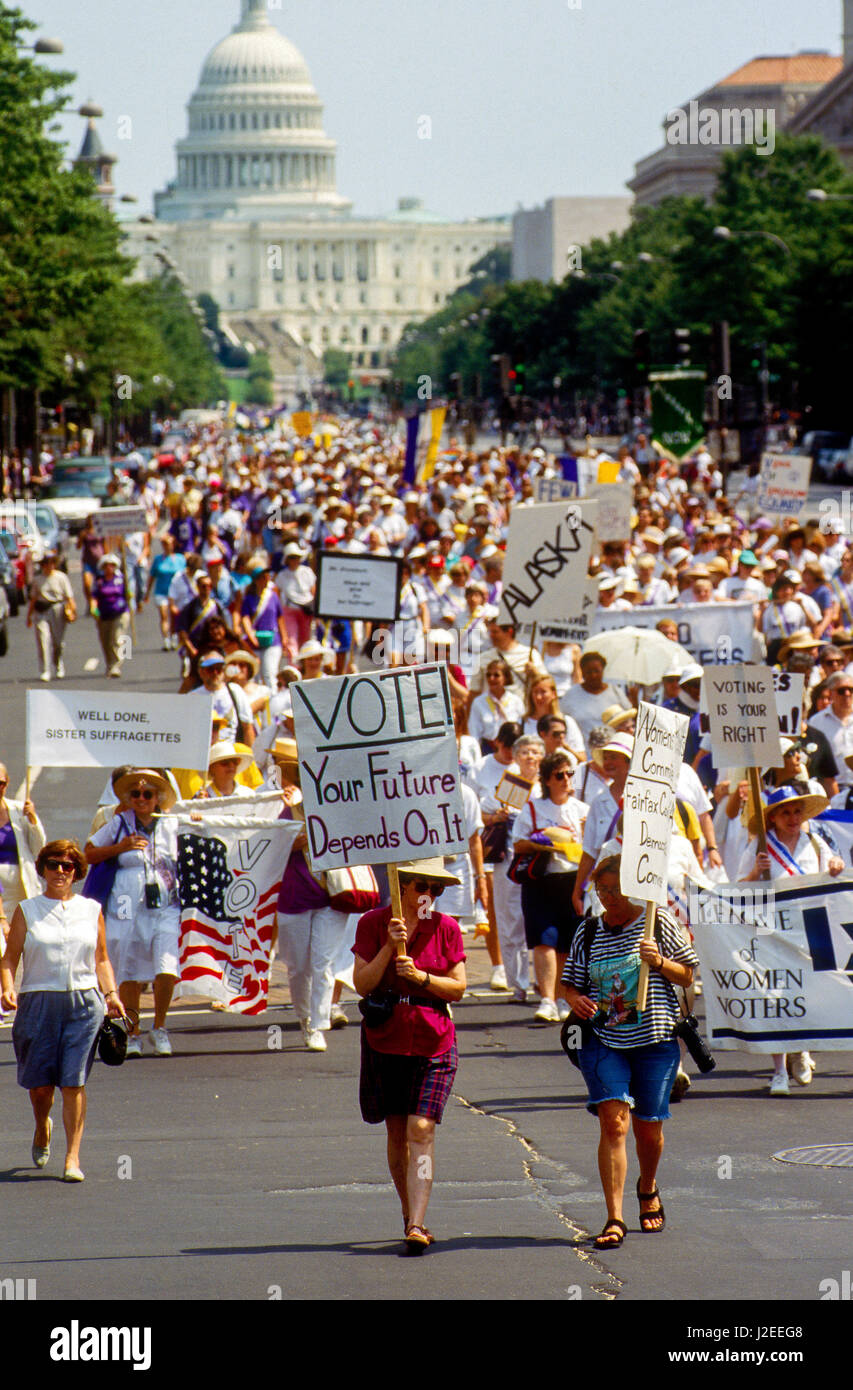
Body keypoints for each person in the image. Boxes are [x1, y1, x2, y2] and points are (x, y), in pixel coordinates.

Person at [562, 853, 698, 1249]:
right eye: (601, 890)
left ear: (632, 888)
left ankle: (648, 1184)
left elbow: (689, 973)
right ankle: (614, 1216)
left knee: (648, 1127)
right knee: (613, 1122)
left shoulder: (658, 922)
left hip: (655, 1040)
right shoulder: (588, 931)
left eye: (614, 889)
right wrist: (575, 1000)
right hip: (603, 1040)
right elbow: (570, 983)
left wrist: (659, 962)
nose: (607, 897)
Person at [352, 858, 466, 1252]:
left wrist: (423, 978)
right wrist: (388, 945)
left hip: (434, 1039)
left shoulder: (446, 927)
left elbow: (458, 988)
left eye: (437, 890)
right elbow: (362, 985)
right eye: (422, 886)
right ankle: (408, 1213)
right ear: (401, 884)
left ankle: (418, 1222)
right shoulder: (372, 923)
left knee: (422, 1130)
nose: (429, 896)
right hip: (386, 1038)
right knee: (397, 1131)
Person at [0, 839, 126, 1182]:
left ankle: (72, 1158)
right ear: (42, 869)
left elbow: (101, 958)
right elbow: (9, 957)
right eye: (53, 864)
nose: (60, 871)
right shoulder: (27, 909)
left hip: (84, 1004)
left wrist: (111, 993)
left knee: (74, 1081)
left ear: (77, 872)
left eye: (67, 866)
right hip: (38, 1002)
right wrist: (8, 987)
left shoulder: (91, 910)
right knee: (40, 1087)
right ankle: (42, 1125)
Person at [737, 784, 840, 1096]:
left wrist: (836, 865)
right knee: (776, 996)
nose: (793, 817)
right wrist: (756, 872)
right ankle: (779, 1071)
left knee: (809, 992)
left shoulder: (815, 842)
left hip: (812, 926)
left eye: (797, 811)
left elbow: (834, 869)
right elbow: (737, 888)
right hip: (774, 927)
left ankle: (803, 1048)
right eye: (785, 812)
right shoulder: (760, 846)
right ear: (773, 817)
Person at [85, 769, 180, 1058]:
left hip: (164, 904)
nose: (141, 799)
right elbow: (88, 853)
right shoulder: (118, 824)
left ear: (157, 798)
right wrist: (120, 847)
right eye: (136, 794)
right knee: (128, 968)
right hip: (126, 905)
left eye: (147, 794)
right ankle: (133, 1030)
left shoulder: (172, 825)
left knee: (166, 966)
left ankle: (160, 1027)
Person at [510, 749, 586, 1022]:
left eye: (569, 774)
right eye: (559, 775)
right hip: (541, 881)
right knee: (544, 940)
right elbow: (517, 843)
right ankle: (546, 999)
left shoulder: (581, 810)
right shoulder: (532, 808)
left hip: (572, 880)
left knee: (567, 944)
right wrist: (542, 843)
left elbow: (590, 847)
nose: (566, 779)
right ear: (548, 779)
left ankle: (562, 999)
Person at [0, 764, 46, 934]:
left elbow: (38, 848)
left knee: (19, 938)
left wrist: (32, 819)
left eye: (1, 783)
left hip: (19, 888)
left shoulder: (19, 809)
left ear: (7, 783)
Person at [27, 549, 75, 682]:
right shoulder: (38, 580)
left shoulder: (61, 577)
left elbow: (69, 597)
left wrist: (72, 611)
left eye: (52, 563)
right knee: (43, 639)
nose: (50, 566)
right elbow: (33, 599)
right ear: (43, 565)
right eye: (47, 563)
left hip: (57, 609)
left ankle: (58, 664)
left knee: (57, 642)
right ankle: (45, 670)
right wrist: (29, 616)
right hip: (41, 611)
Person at [92, 553, 130, 679]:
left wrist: (130, 595)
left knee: (116, 639)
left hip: (120, 612)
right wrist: (94, 608)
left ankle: (116, 666)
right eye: (107, 565)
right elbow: (94, 596)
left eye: (112, 565)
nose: (109, 568)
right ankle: (109, 664)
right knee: (106, 641)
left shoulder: (121, 579)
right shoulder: (99, 580)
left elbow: (128, 593)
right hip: (103, 614)